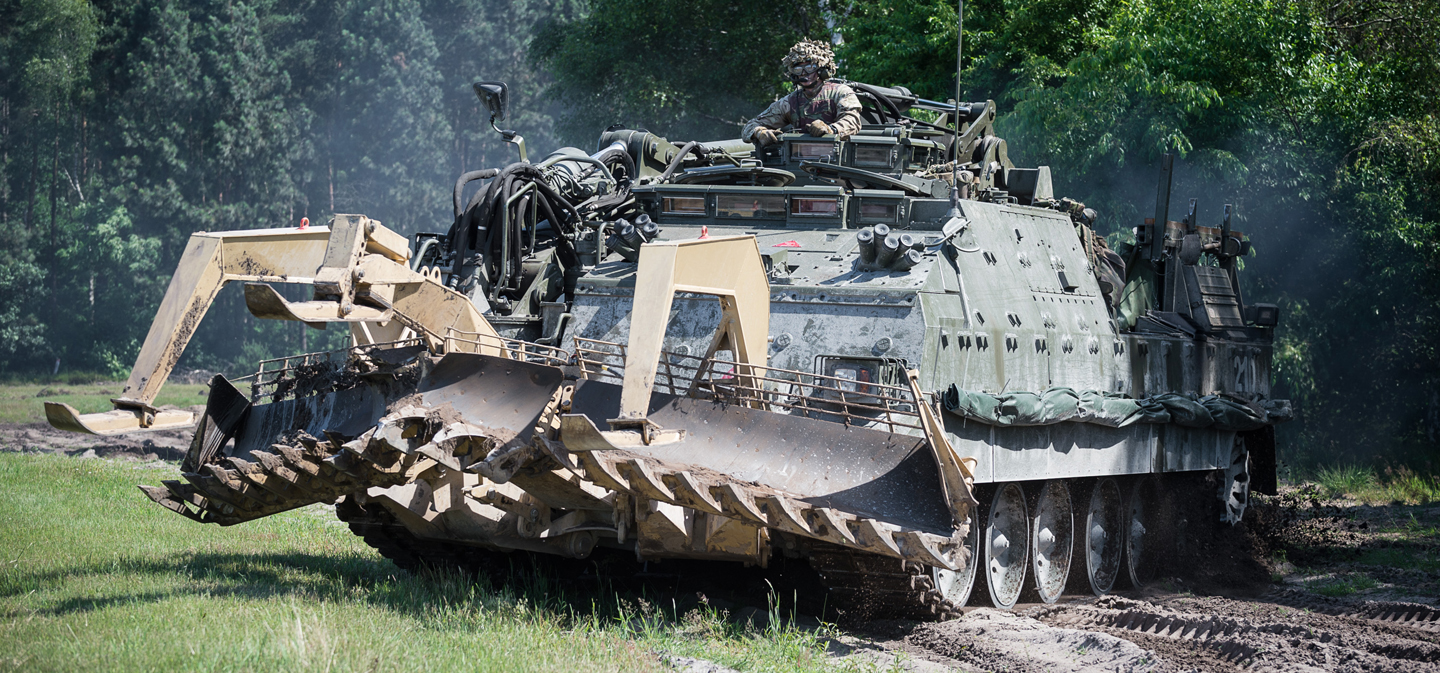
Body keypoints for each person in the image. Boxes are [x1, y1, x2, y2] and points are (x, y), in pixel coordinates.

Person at [742, 40, 863, 147]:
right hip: (800, 159)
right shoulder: (790, 102)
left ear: (822, 70)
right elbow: (750, 125)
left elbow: (852, 121)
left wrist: (830, 129)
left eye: (809, 68)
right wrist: (760, 132)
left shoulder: (840, 92)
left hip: (838, 158)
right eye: (798, 70)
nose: (804, 74)